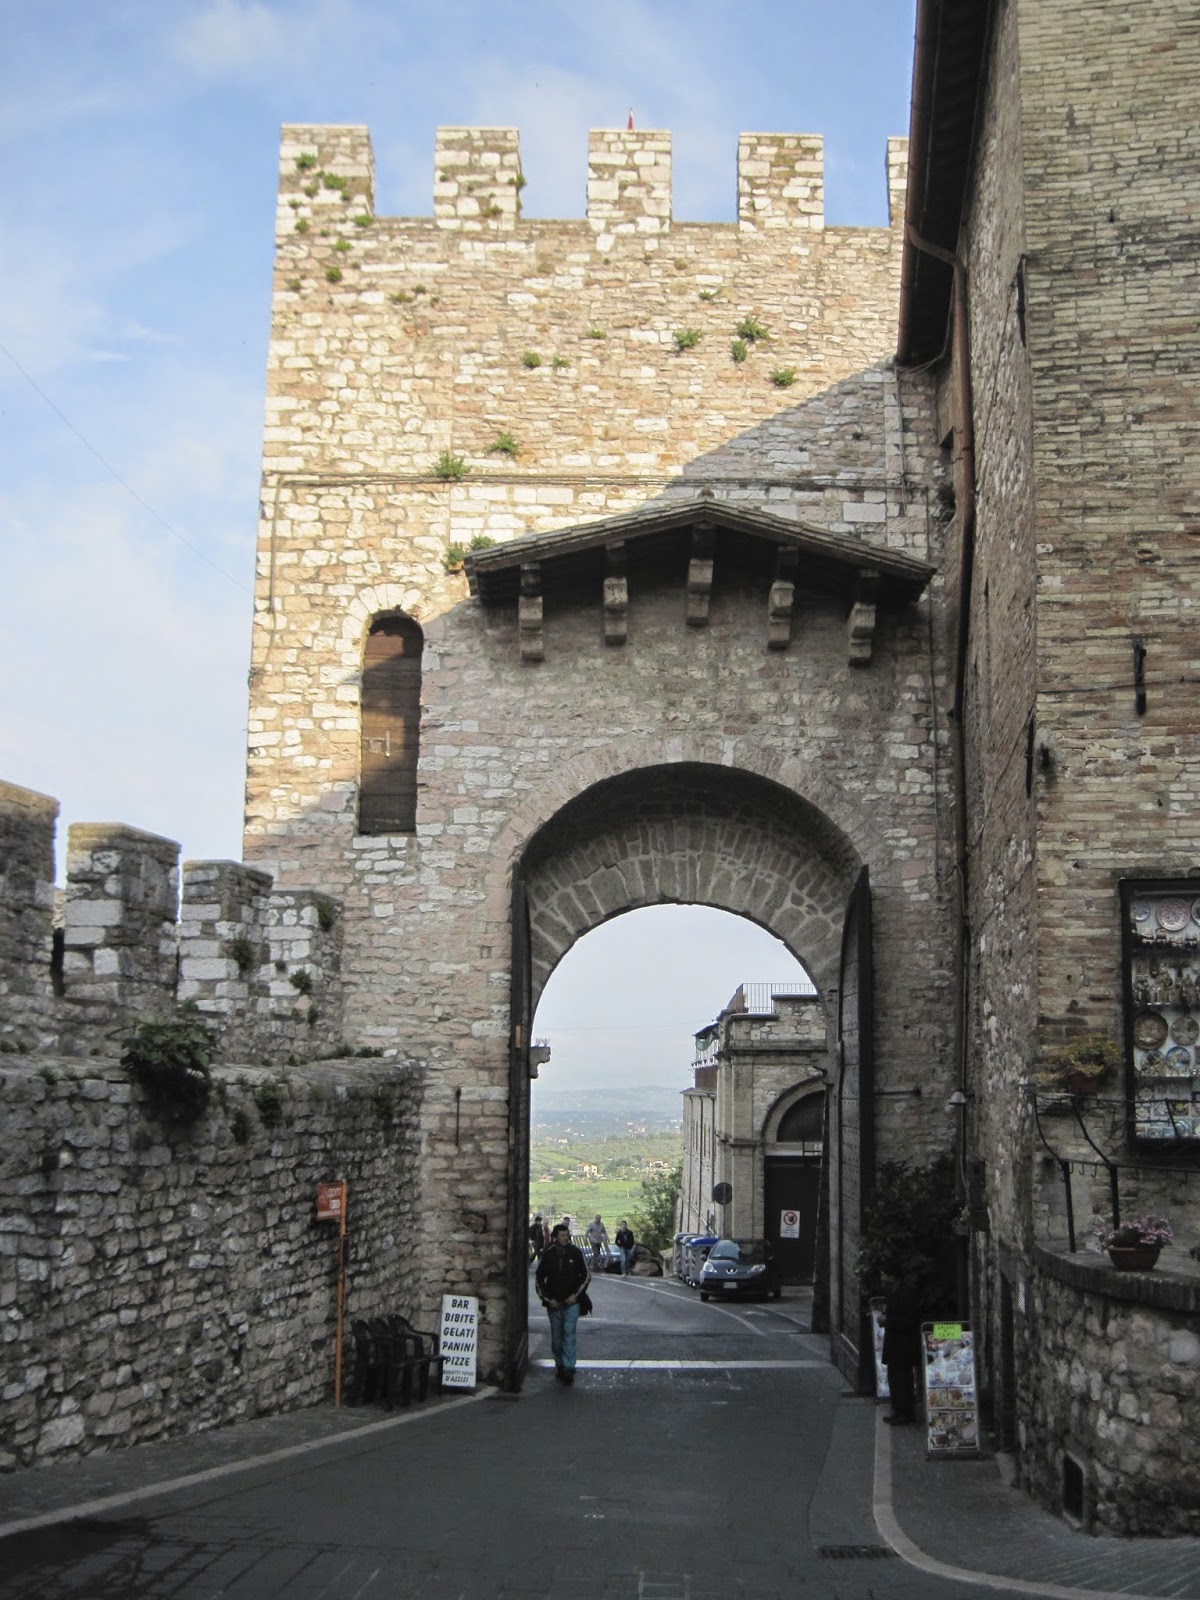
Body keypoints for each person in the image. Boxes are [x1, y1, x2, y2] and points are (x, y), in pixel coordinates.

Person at [535, 1222, 591, 1384]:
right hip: (554, 1303)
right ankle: (559, 1364)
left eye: (567, 1235)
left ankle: (569, 1367)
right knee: (557, 1337)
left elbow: (586, 1275)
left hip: (572, 1302)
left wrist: (576, 1295)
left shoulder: (576, 1253)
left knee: (569, 1333)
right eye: (562, 1235)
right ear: (555, 1237)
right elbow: (539, 1279)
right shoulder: (548, 1255)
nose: (565, 1238)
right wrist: (547, 1299)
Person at [880, 1262, 923, 1424]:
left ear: (893, 1277)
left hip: (903, 1346)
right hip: (894, 1344)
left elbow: (910, 1322)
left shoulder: (907, 1293)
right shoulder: (893, 1292)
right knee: (894, 1379)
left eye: (885, 1275)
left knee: (903, 1380)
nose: (883, 1278)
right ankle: (898, 1410)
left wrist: (887, 1320)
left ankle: (905, 1413)